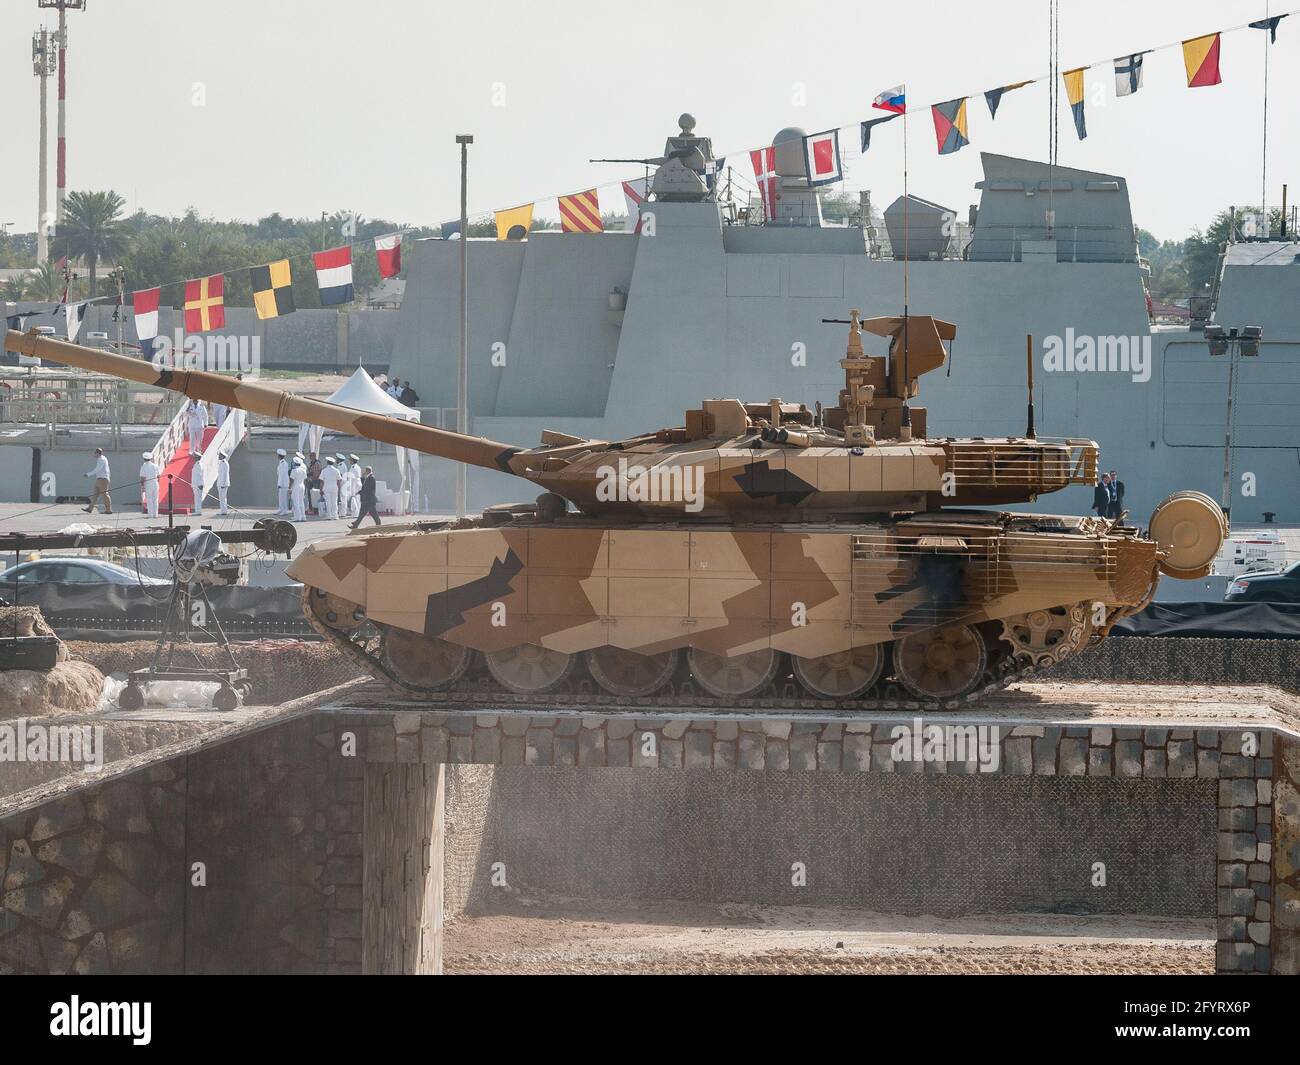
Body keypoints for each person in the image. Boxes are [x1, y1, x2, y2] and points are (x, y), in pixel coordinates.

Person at [84, 447, 112, 514]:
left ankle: (108, 510)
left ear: (98, 453)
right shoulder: (101, 459)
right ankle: (90, 509)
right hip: (99, 479)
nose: (94, 454)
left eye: (95, 453)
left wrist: (88, 474)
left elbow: (97, 469)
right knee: (95, 495)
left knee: (105, 495)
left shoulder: (101, 460)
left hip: (103, 480)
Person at [139, 451, 160, 519]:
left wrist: (142, 486)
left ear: (144, 459)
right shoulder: (155, 466)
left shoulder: (143, 466)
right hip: (155, 483)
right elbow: (158, 476)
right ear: (151, 458)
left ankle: (150, 514)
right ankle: (155, 514)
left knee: (149, 499)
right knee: (155, 499)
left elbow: (142, 478)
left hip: (148, 483)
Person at [290, 456, 307, 522]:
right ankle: (303, 516)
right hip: (302, 485)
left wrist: (289, 488)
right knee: (301, 501)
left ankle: (298, 517)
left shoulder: (294, 470)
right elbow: (305, 479)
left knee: (295, 501)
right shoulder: (303, 470)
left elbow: (291, 480)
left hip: (296, 486)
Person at [275, 449, 290, 515]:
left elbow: (282, 474)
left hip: (283, 484)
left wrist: (280, 484)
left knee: (283, 498)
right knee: (280, 497)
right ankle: (281, 509)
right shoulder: (281, 463)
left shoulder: (283, 463)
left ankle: (284, 510)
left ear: (279, 456)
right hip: (282, 483)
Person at [216, 451, 231, 515]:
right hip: (221, 483)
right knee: (221, 498)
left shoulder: (224, 463)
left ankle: (224, 511)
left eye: (219, 455)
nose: (218, 456)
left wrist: (223, 484)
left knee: (223, 497)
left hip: (223, 484)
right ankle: (222, 510)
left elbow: (225, 474)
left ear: (222, 456)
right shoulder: (221, 463)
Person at [190, 451, 205, 516]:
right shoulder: (196, 464)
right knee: (197, 498)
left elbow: (200, 475)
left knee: (198, 498)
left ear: (198, 458)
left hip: (198, 484)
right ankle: (198, 510)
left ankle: (198, 511)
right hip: (196, 484)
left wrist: (200, 484)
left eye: (195, 457)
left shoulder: (199, 464)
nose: (194, 458)